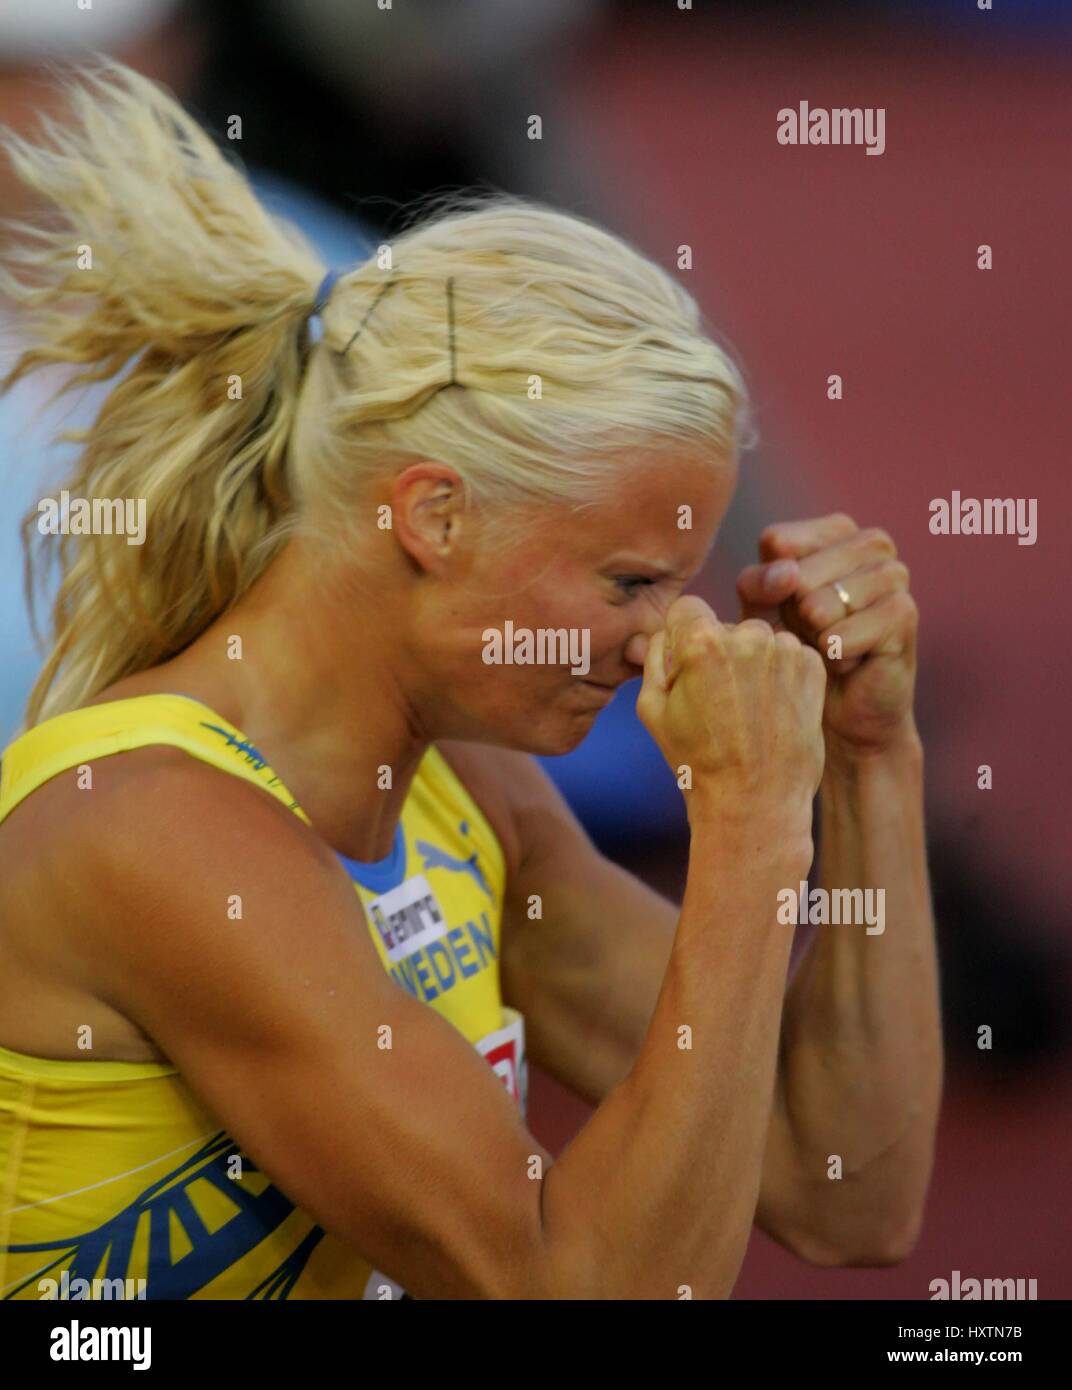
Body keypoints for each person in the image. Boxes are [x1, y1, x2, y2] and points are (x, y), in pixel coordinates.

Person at [0, 60, 941, 1301]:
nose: (669, 637)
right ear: (435, 516)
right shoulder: (161, 833)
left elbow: (843, 1186)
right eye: (627, 584)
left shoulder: (467, 792)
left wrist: (869, 759)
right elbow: (580, 1293)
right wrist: (755, 823)